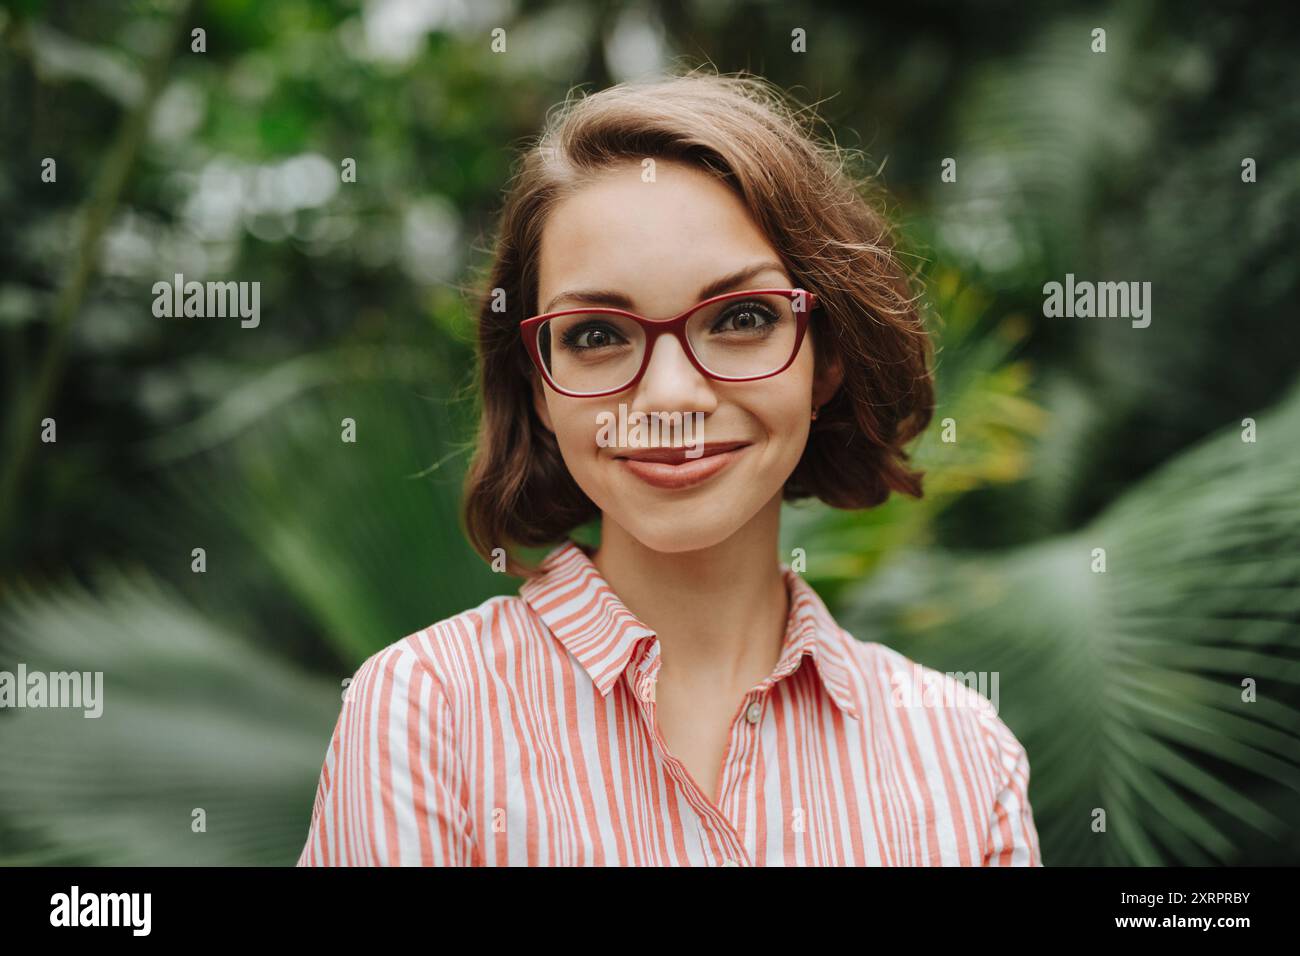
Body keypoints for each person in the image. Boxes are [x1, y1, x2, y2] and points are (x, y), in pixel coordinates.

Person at [297, 69, 1041, 866]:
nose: (670, 394)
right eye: (597, 335)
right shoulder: (425, 712)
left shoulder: (962, 754)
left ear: (824, 361)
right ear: (539, 387)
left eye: (742, 318)